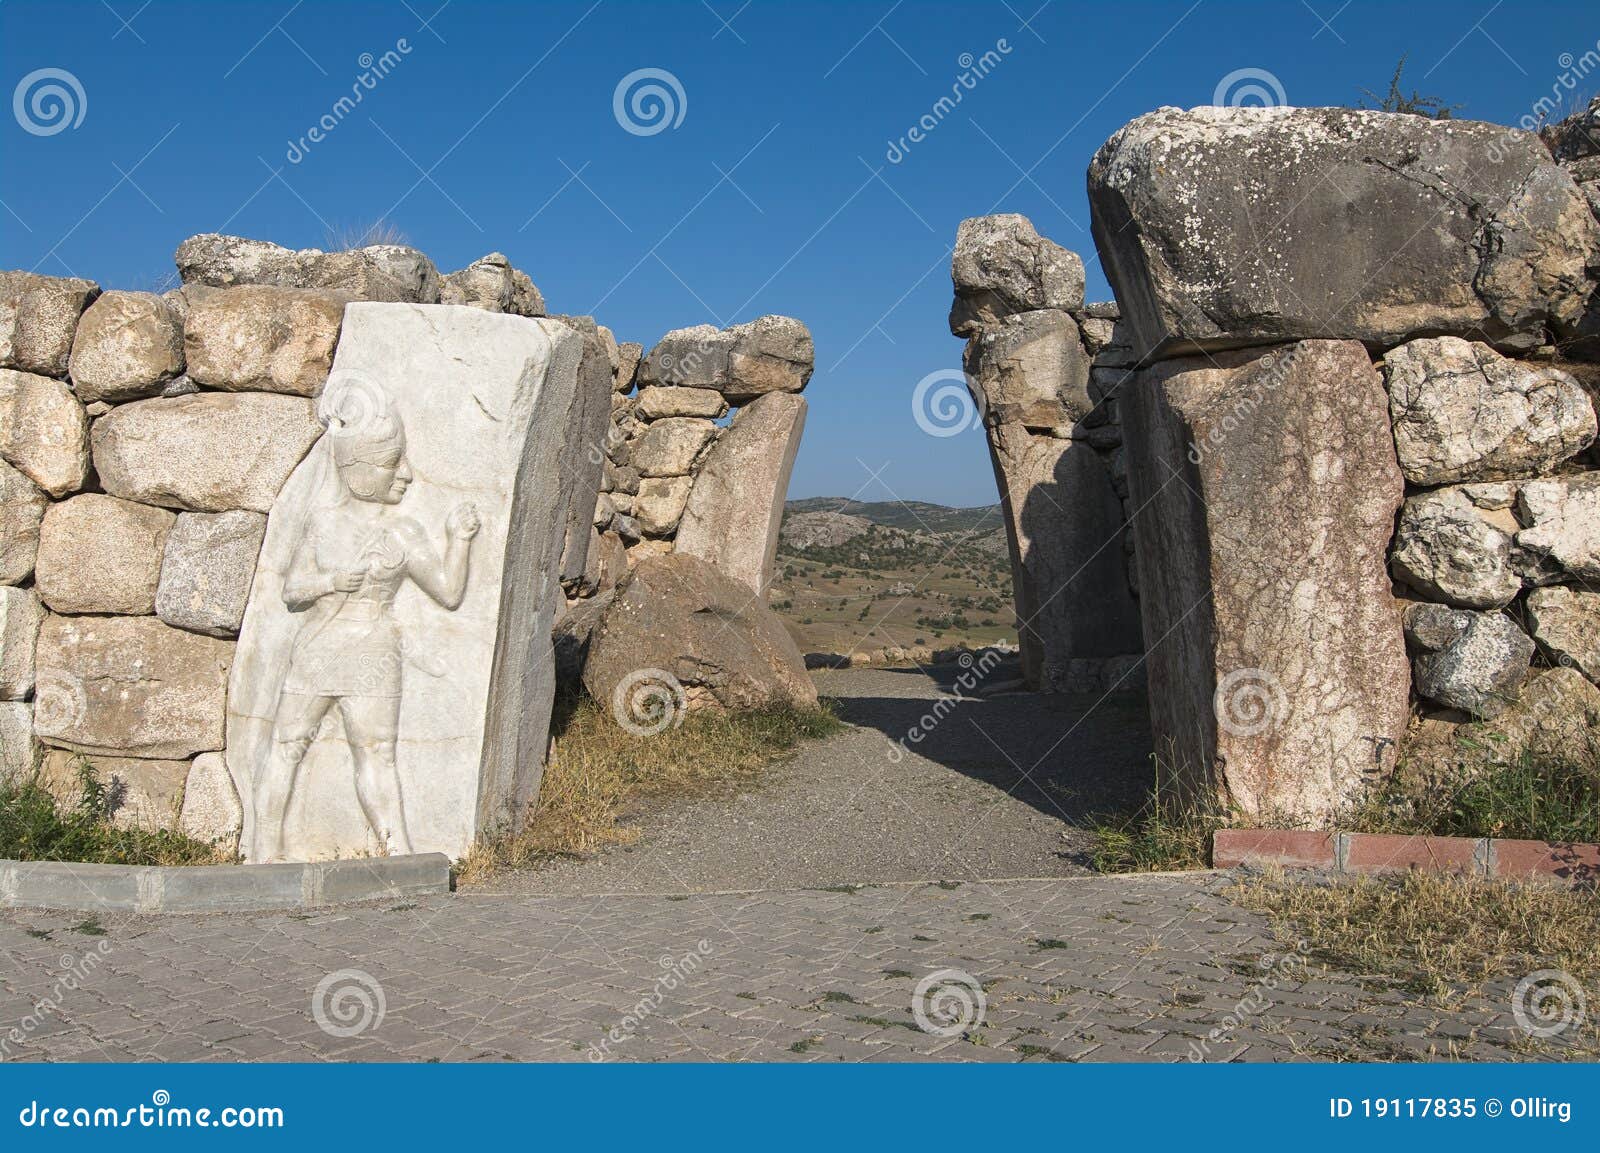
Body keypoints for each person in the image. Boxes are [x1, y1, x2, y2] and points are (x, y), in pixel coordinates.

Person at [250, 384, 478, 862]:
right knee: (288, 745)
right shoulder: (323, 521)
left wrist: (458, 539)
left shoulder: (405, 530)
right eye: (392, 465)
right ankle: (265, 850)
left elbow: (448, 591)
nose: (407, 475)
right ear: (356, 470)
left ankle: (396, 853)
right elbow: (292, 589)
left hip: (375, 650)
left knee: (377, 754)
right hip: (317, 648)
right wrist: (336, 579)